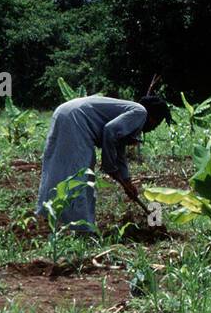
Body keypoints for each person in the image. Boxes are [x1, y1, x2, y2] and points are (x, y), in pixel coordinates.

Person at [34, 91, 172, 233]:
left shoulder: (130, 112)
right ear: (153, 116)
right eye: (158, 121)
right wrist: (110, 167)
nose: (155, 127)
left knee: (60, 167)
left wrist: (126, 180)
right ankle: (83, 230)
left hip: (64, 112)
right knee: (81, 177)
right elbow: (110, 131)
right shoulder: (140, 112)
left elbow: (119, 149)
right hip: (77, 120)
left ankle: (56, 217)